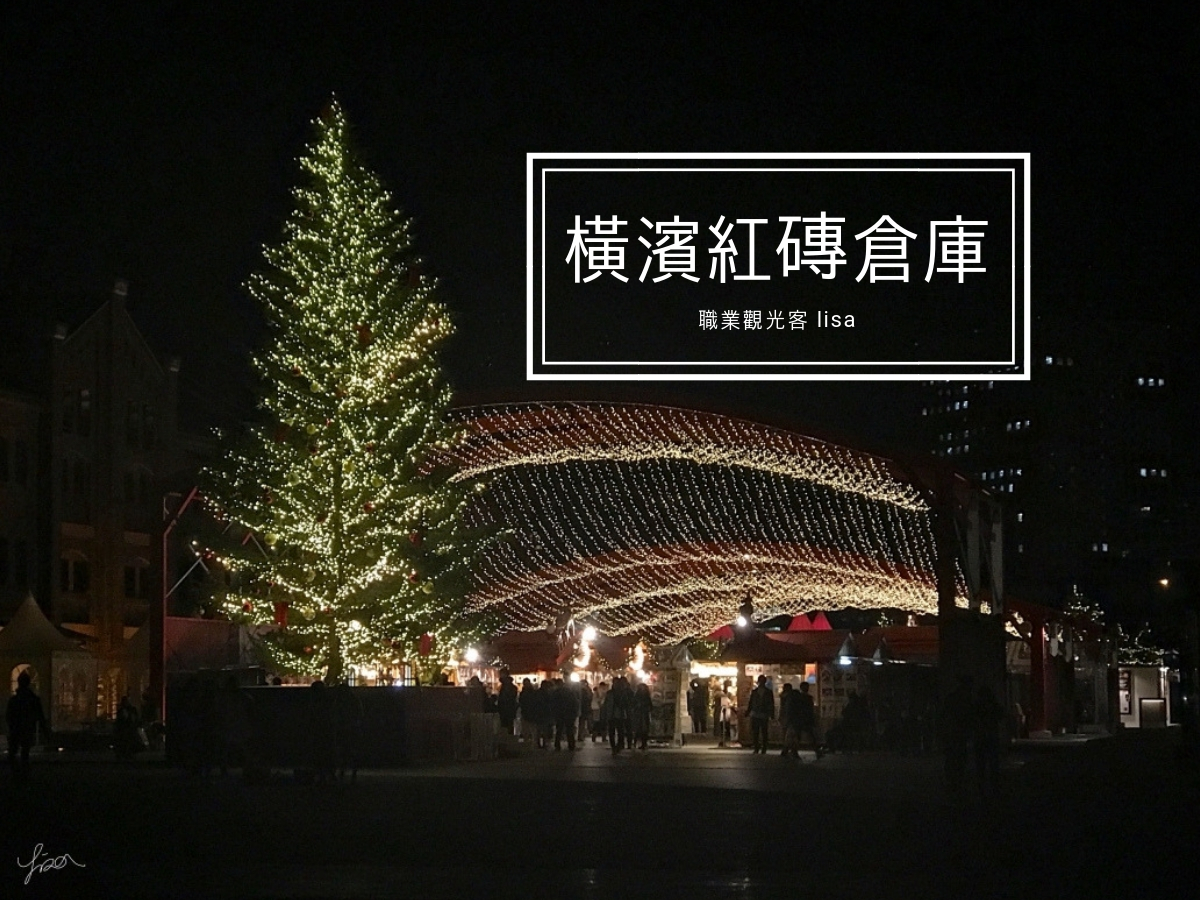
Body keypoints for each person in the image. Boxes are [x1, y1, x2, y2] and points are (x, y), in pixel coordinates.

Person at [7, 671, 47, 778]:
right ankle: (24, 773)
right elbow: (40, 716)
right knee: (25, 753)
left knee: (13, 753)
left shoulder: (15, 700)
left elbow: (9, 716)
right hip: (27, 728)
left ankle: (17, 773)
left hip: (16, 729)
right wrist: (45, 731)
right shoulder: (33, 699)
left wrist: (11, 726)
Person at [973, 684, 1005, 798]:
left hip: (983, 737)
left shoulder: (978, 706)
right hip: (989, 737)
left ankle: (984, 787)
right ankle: (992, 787)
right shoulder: (991, 706)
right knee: (991, 763)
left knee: (983, 764)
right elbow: (1002, 714)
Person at [747, 674, 775, 754]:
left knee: (762, 732)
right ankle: (758, 747)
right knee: (758, 732)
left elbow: (771, 703)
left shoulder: (765, 692)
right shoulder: (757, 692)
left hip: (762, 714)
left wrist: (771, 714)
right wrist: (748, 711)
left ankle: (762, 748)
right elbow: (751, 703)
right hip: (758, 714)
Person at [795, 682, 823, 758]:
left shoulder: (799, 697)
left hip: (801, 719)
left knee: (799, 736)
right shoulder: (808, 697)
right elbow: (810, 709)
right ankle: (817, 751)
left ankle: (793, 751)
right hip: (806, 719)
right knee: (810, 736)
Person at [607, 676, 631, 754]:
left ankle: (618, 746)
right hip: (612, 714)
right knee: (613, 732)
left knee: (619, 731)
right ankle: (614, 746)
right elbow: (607, 704)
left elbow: (626, 704)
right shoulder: (610, 693)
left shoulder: (622, 693)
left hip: (619, 714)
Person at [115, 693, 143, 759]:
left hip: (130, 728)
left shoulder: (131, 709)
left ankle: (129, 753)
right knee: (125, 742)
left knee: (130, 742)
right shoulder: (121, 710)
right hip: (124, 729)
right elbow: (119, 720)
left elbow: (135, 718)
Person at [778, 683, 799, 759]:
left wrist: (780, 716)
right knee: (791, 735)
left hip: (786, 717)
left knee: (786, 735)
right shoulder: (792, 697)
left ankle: (786, 749)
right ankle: (792, 750)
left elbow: (783, 708)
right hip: (791, 718)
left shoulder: (783, 697)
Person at [631, 681, 653, 750]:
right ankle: (636, 743)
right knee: (638, 730)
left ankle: (643, 743)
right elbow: (633, 705)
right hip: (639, 715)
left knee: (643, 730)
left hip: (643, 715)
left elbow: (650, 706)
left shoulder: (645, 697)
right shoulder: (637, 696)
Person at [497, 671, 519, 735]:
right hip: (508, 709)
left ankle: (507, 738)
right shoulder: (508, 686)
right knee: (508, 726)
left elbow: (506, 698)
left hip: (506, 709)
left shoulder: (505, 686)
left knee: (506, 726)